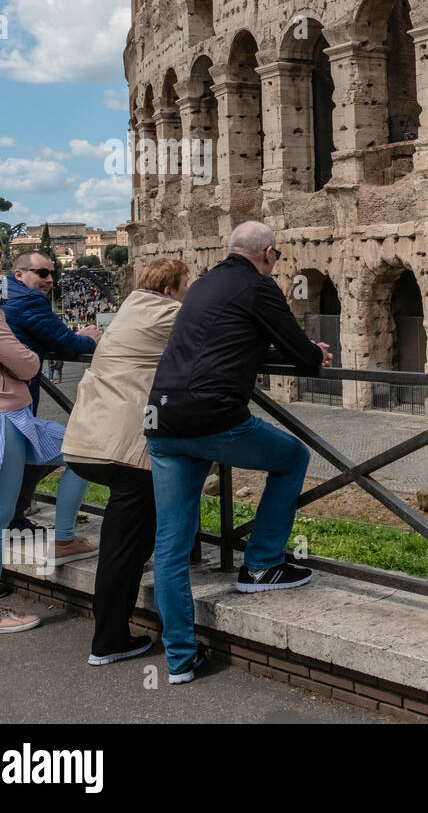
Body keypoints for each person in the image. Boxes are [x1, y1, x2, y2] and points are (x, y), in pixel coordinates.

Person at [145, 221, 331, 684]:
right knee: (292, 458)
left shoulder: (205, 283)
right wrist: (314, 352)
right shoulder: (259, 285)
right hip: (213, 418)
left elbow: (224, 335)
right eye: (277, 256)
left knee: (169, 547)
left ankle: (180, 660)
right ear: (268, 253)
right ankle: (262, 564)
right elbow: (301, 353)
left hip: (161, 421)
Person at [0, 232, 93, 635]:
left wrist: (20, 360)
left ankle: (63, 539)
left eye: (0, 255)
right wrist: (26, 359)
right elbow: (28, 364)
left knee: (78, 451)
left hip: (7, 414)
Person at [63, 258, 190, 666]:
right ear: (171, 288)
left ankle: (113, 631)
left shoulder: (129, 310)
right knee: (122, 549)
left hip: (88, 441)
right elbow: (221, 335)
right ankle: (109, 641)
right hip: (123, 450)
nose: (190, 292)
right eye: (187, 284)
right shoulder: (168, 312)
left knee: (130, 541)